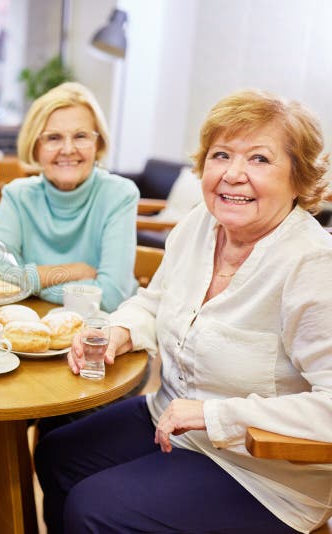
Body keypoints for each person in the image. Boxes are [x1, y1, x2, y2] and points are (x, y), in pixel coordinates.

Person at [35, 90, 332, 533]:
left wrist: (214, 415)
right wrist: (119, 331)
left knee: (94, 507)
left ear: (299, 178)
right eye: (221, 155)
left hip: (262, 471)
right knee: (59, 453)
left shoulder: (312, 266)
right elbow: (155, 300)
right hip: (173, 421)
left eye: (259, 160)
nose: (233, 174)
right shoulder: (200, 224)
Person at [0, 82, 139, 310]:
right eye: (53, 138)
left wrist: (27, 284)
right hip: (30, 329)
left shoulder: (120, 195)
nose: (68, 149)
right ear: (35, 147)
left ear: (97, 144)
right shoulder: (17, 195)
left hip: (99, 333)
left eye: (81, 136)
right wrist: (76, 272)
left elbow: (110, 297)